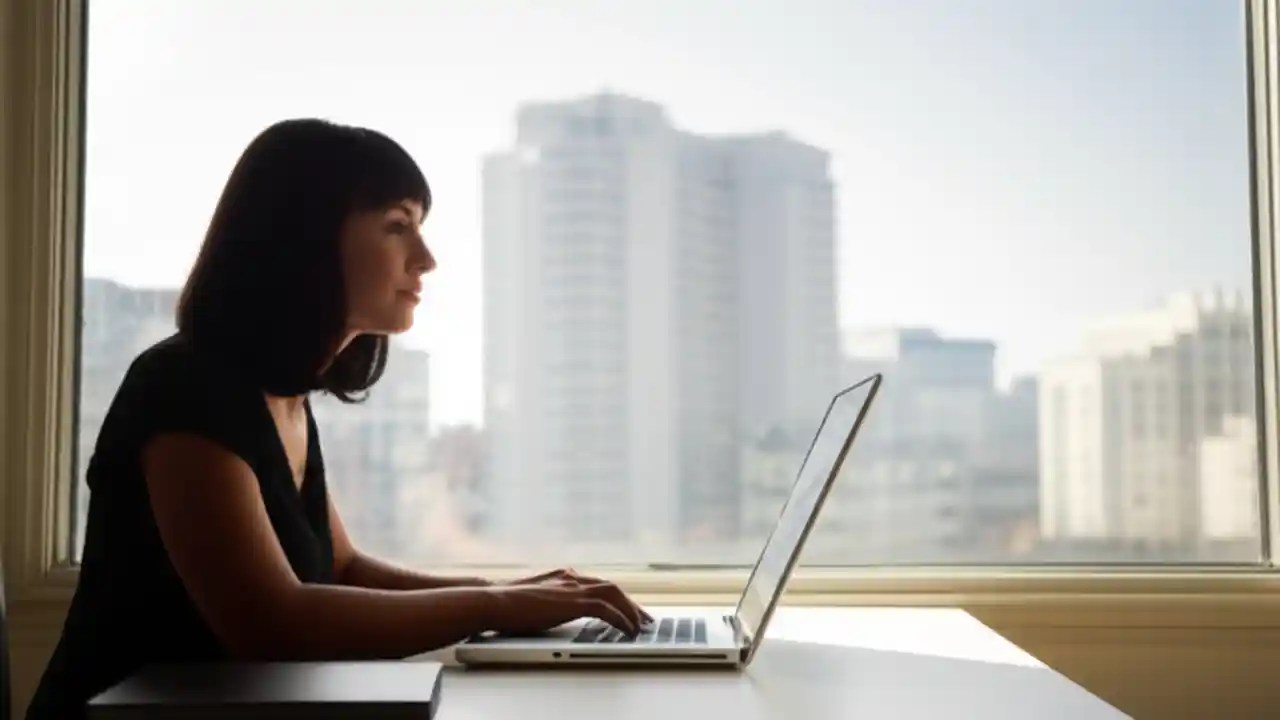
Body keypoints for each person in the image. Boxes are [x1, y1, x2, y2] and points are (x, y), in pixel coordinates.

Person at [26, 119, 651, 719]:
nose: (425, 258)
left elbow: (343, 569)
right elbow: (271, 623)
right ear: (307, 237)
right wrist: (491, 603)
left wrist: (511, 596)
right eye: (397, 226)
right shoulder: (183, 386)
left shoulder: (284, 396)